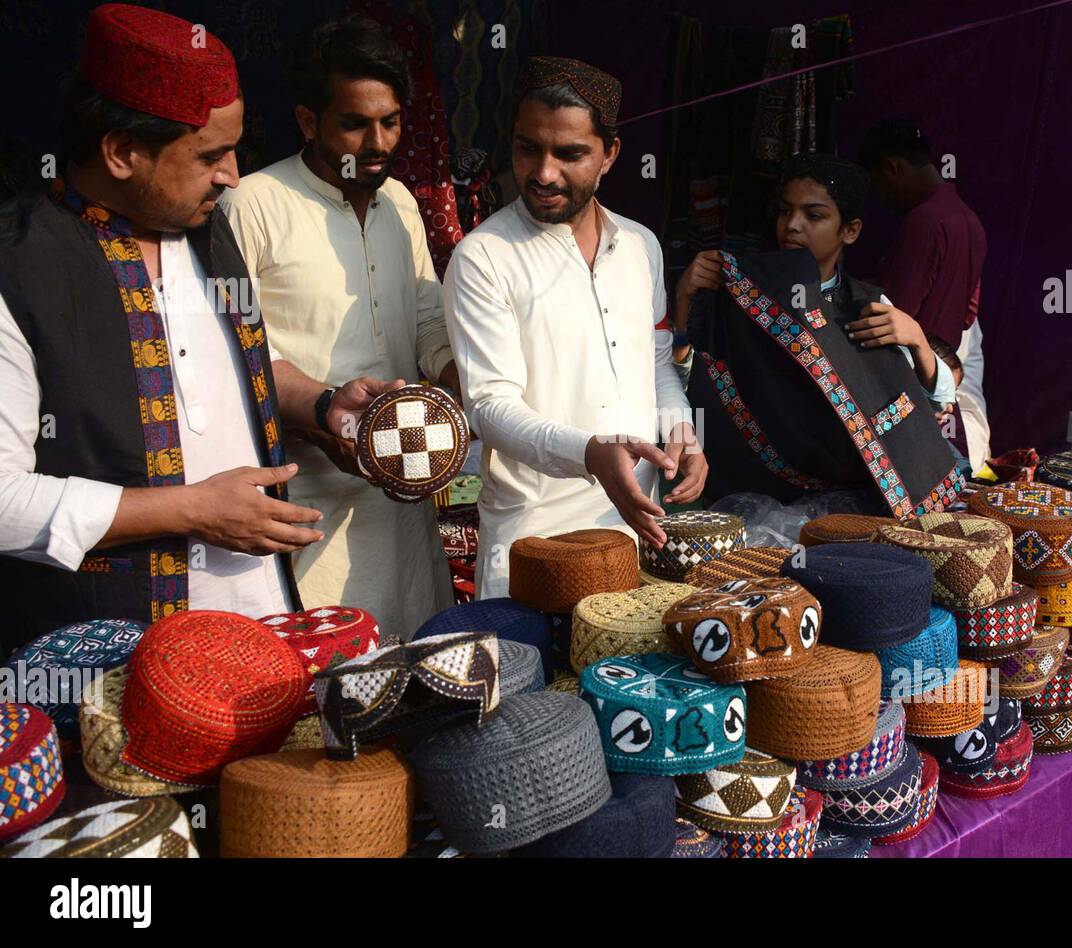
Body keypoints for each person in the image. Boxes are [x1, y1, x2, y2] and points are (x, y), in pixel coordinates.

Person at [0, 4, 394, 653]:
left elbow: (230, 375)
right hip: (116, 662)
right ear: (122, 151)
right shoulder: (20, 269)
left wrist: (320, 404)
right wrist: (192, 510)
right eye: (211, 154)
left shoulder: (206, 230)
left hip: (263, 626)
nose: (233, 174)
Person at [220, 14, 456, 638]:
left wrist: (464, 385)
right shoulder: (252, 205)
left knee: (416, 670)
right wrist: (322, 412)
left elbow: (428, 318)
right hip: (311, 498)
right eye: (355, 123)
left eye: (391, 121)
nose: (377, 142)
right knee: (329, 685)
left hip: (406, 484)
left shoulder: (401, 202)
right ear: (308, 121)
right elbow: (235, 357)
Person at [443, 57, 706, 599]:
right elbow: (489, 406)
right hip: (535, 544)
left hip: (636, 534)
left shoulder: (639, 245)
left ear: (610, 154)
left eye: (569, 154)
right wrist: (591, 452)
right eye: (527, 148)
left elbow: (656, 364)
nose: (543, 172)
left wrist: (681, 432)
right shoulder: (483, 257)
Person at [671, 153, 956, 411]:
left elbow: (938, 403)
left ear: (850, 230)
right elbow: (681, 380)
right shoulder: (737, 288)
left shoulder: (864, 306)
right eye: (785, 211)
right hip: (741, 466)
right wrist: (684, 299)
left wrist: (918, 340)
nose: (793, 224)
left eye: (813, 215)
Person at [859, 118, 990, 468]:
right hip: (942, 373)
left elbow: (891, 312)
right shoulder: (969, 220)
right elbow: (968, 314)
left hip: (912, 378)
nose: (881, 199)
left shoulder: (925, 222)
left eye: (878, 184)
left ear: (892, 168)